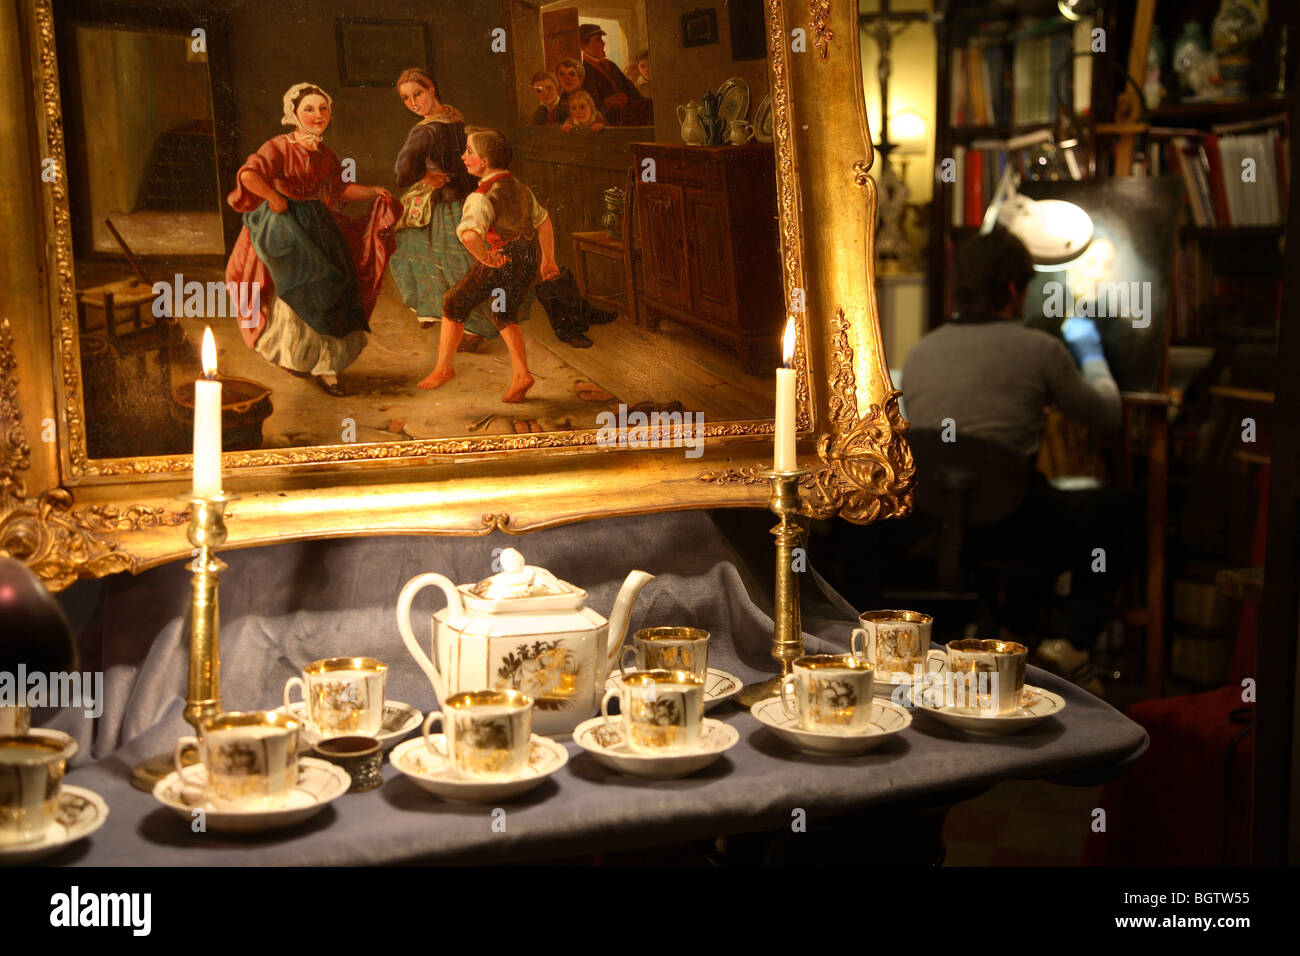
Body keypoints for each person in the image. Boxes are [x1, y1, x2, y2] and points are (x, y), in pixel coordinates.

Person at [901, 227, 1133, 690]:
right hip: (1021, 528)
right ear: (1012, 289)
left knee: (1029, 500)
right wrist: (1090, 354)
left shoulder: (920, 352)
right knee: (1116, 509)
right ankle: (1069, 640)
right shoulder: (1040, 349)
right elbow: (1108, 416)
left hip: (941, 524)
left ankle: (1005, 630)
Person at [225, 82, 399, 397]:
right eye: (309, 108)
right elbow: (248, 175)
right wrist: (273, 197)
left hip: (317, 222)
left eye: (323, 108)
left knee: (337, 284)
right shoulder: (277, 146)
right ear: (293, 113)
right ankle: (294, 355)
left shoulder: (324, 153)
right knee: (304, 284)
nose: (317, 115)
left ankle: (327, 368)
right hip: (283, 224)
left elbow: (338, 190)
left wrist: (371, 190)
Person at [418, 127, 560, 402]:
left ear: (485, 161)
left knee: (453, 303)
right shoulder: (521, 188)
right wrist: (548, 259)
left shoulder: (480, 196)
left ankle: (443, 368)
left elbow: (470, 235)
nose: (463, 157)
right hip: (526, 256)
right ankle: (522, 374)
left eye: (469, 152)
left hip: (501, 257)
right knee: (504, 314)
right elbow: (543, 221)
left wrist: (485, 257)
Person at [389, 68, 497, 353]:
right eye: (406, 98)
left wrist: (425, 177)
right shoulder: (455, 117)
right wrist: (427, 177)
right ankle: (437, 311)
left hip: (449, 203)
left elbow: (402, 172)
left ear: (432, 89)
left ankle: (472, 327)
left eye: (418, 94)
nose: (413, 103)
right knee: (456, 259)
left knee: (453, 264)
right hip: (467, 196)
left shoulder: (426, 130)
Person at [577, 24, 650, 126]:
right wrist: (609, 102)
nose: (603, 43)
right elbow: (587, 106)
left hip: (627, 115)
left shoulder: (610, 65)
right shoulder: (583, 71)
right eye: (598, 40)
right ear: (583, 45)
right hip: (608, 122)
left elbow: (632, 92)